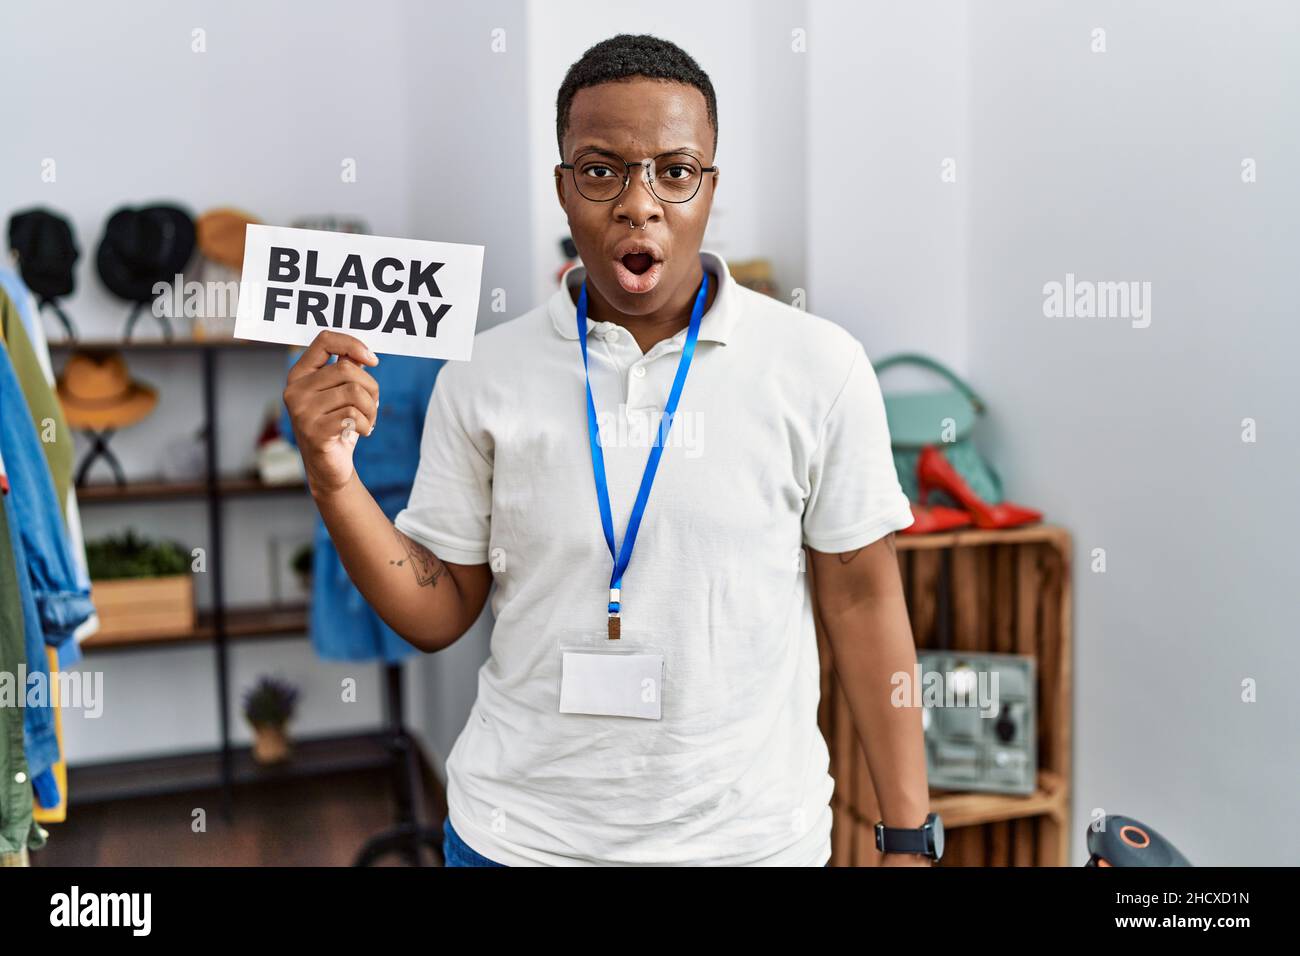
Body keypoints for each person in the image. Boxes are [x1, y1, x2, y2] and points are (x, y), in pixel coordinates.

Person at [282, 33, 933, 867]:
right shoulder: (484, 374)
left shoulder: (819, 366)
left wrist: (910, 839)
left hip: (751, 845)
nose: (639, 202)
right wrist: (333, 479)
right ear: (562, 189)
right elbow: (440, 611)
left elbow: (864, 605)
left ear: (709, 187)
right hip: (517, 841)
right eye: (601, 170)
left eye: (674, 169)